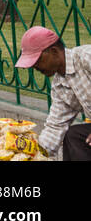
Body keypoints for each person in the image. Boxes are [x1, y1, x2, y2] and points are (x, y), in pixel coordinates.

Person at [14, 27, 91, 160]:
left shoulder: (86, 56)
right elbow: (56, 126)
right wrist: (33, 155)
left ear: (54, 51)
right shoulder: (59, 86)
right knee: (74, 136)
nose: (34, 67)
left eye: (37, 60)